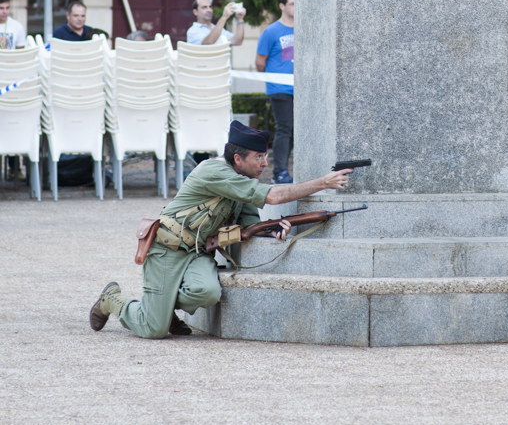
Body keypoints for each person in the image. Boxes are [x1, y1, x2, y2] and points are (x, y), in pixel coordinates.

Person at [89, 120, 352, 338]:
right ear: (238, 158)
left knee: (208, 292)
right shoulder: (214, 170)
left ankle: (162, 306)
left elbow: (250, 224)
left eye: (266, 157)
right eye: (258, 157)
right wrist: (322, 183)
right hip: (167, 249)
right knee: (153, 329)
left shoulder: (243, 181)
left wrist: (272, 230)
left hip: (196, 253)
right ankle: (113, 299)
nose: (264, 163)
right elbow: (273, 196)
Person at [256, 0, 294, 184]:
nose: (296, 7)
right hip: (280, 88)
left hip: (301, 89)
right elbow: (260, 62)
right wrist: (274, 79)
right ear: (282, 6)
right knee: (285, 128)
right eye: (292, 3)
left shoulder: (303, 28)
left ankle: (290, 170)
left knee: (297, 130)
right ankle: (279, 172)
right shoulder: (271, 31)